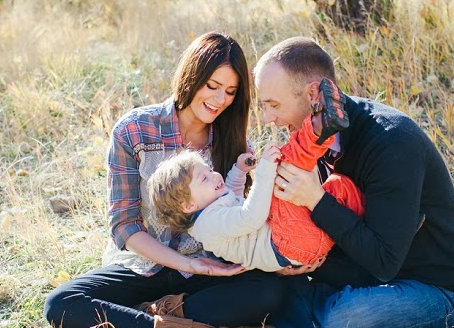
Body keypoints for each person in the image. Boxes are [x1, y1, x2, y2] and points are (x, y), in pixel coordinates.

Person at [43, 31, 297, 328]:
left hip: (209, 269)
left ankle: (131, 326)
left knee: (269, 293)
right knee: (62, 303)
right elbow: (124, 227)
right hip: (144, 267)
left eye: (231, 92)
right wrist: (187, 264)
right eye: (212, 85)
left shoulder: (232, 140)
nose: (220, 99)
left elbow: (241, 213)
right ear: (192, 75)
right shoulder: (134, 130)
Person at [252, 37, 454, 328]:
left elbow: (384, 262)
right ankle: (314, 323)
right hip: (359, 270)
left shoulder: (391, 143)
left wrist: (315, 199)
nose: (268, 119)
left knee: (347, 316)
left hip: (429, 287)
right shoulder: (314, 138)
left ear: (314, 94)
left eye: (273, 105)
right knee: (265, 276)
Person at [148, 111, 364, 272]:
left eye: (210, 170)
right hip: (288, 243)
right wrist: (265, 170)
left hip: (301, 245)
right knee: (283, 175)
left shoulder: (212, 210)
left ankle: (365, 223)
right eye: (205, 178)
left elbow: (232, 196)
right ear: (188, 206)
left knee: (337, 185)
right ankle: (318, 128)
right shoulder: (208, 224)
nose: (215, 175)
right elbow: (251, 217)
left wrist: (239, 170)